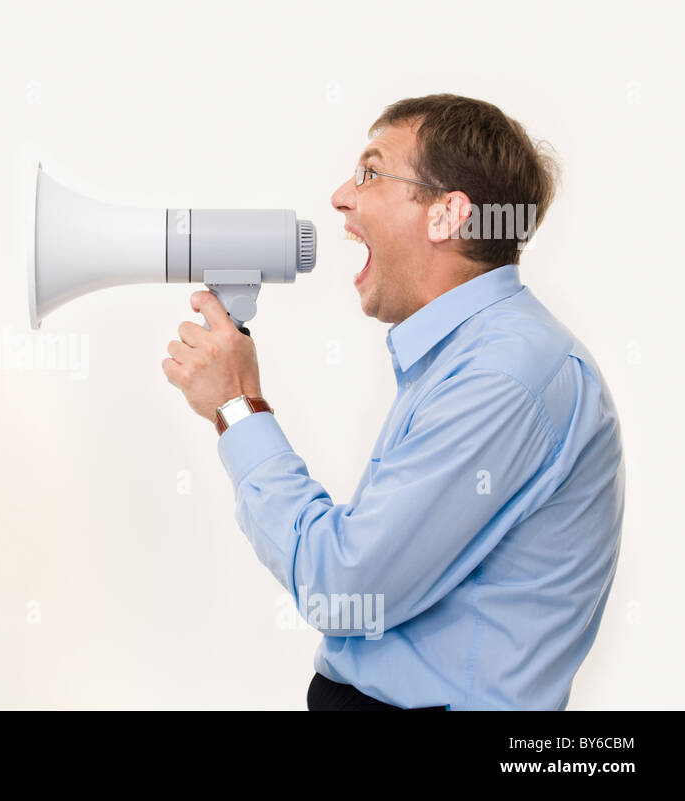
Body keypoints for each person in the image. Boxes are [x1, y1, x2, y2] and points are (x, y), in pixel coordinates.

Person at [162, 94, 623, 710]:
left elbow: (346, 586)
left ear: (447, 215)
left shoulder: (505, 376)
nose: (340, 196)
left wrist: (237, 407)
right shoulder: (472, 355)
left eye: (371, 172)